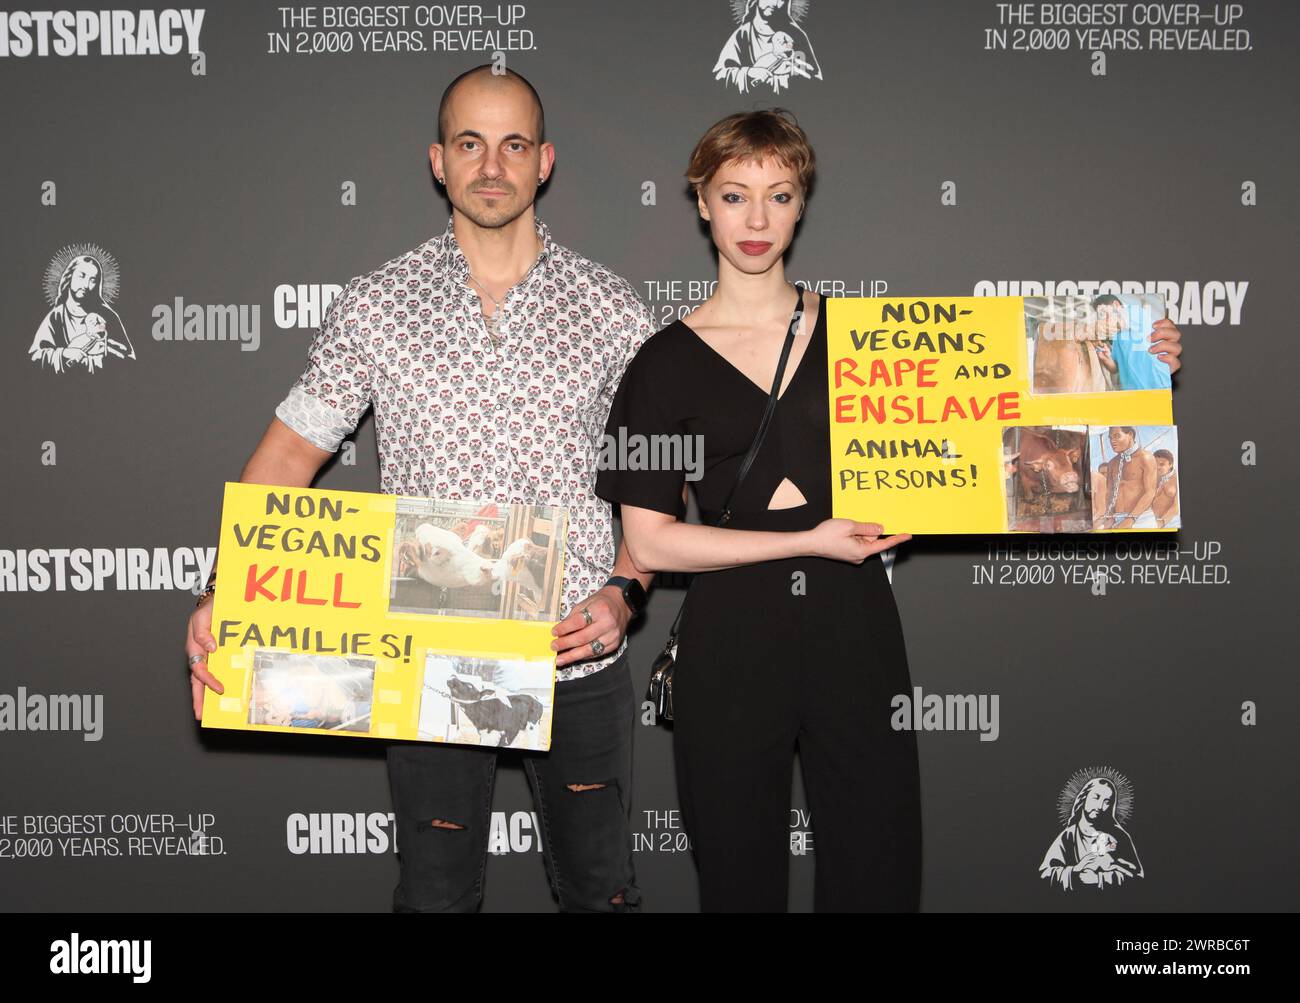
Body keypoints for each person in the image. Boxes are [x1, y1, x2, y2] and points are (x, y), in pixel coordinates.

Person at [594, 109, 1184, 912]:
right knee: (737, 887)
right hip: (730, 647)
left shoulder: (876, 339)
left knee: (877, 874)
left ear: (802, 204)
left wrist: (1135, 364)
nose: (757, 219)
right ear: (702, 202)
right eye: (734, 196)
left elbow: (1018, 412)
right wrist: (806, 540)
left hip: (855, 632)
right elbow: (650, 541)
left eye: (778, 195)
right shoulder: (662, 363)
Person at [185, 64, 656, 913]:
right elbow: (289, 454)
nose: (492, 167)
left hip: (576, 649)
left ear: (544, 161)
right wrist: (227, 589)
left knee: (603, 896)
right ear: (438, 160)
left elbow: (654, 483)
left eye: (513, 145)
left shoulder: (613, 309)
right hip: (427, 650)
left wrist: (627, 588)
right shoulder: (378, 305)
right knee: (435, 899)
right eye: (470, 144)